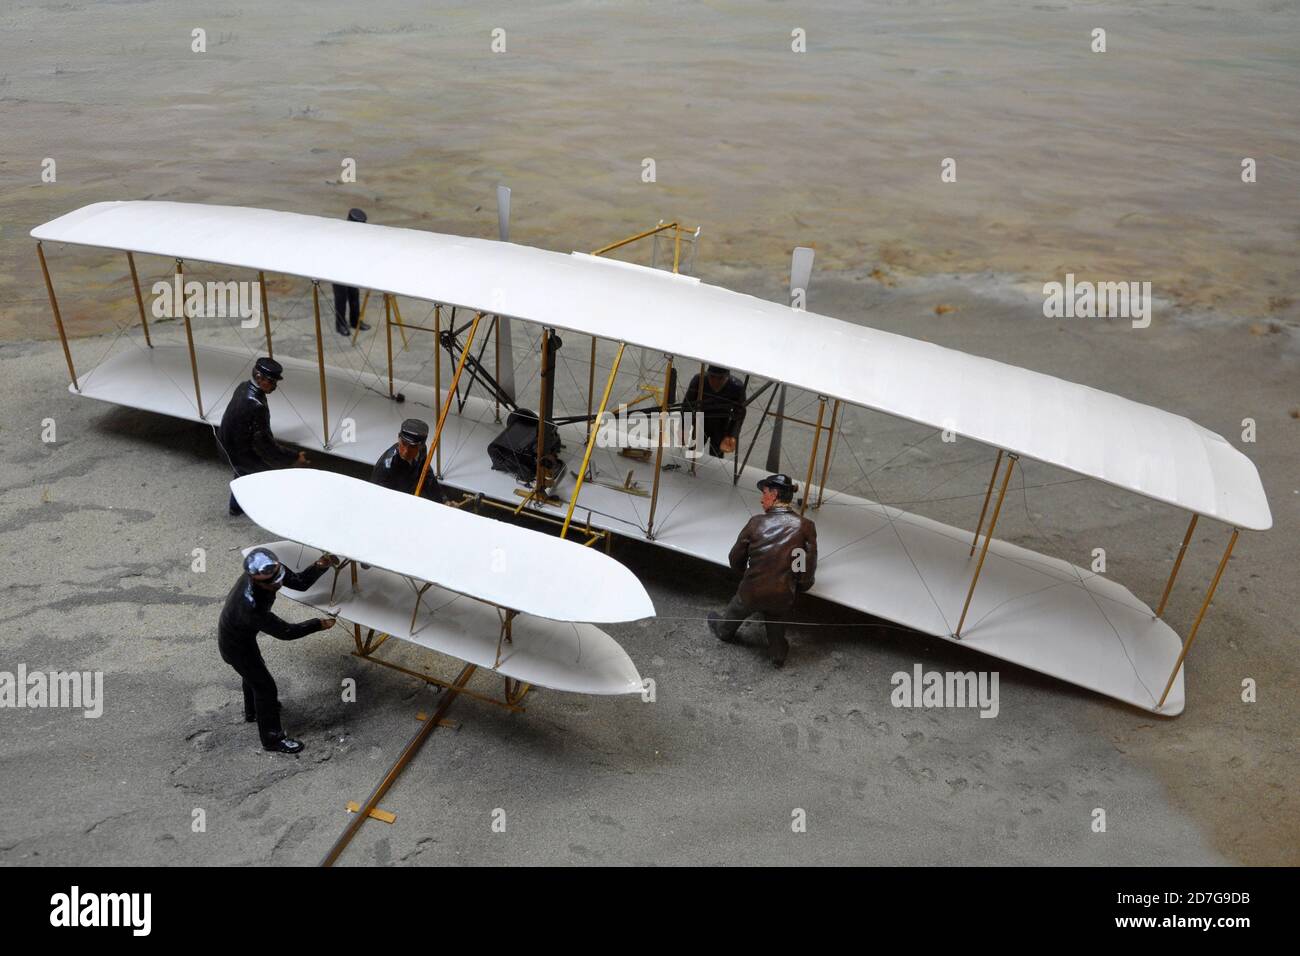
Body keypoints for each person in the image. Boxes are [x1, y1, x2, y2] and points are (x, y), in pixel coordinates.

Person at [218, 548, 338, 754]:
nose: (280, 584)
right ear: (258, 582)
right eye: (274, 583)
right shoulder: (251, 606)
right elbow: (286, 632)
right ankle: (272, 738)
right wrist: (318, 624)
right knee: (265, 687)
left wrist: (321, 565)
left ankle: (254, 712)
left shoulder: (274, 572)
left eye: (279, 577)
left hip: (242, 636)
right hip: (234, 645)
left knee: (254, 674)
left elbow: (299, 582)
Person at [708, 473, 817, 667]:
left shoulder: (756, 523)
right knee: (776, 620)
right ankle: (777, 653)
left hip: (752, 591)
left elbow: (735, 559)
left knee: (736, 610)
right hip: (782, 594)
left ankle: (725, 631)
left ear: (774, 494)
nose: (761, 498)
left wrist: (747, 574)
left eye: (764, 493)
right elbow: (803, 565)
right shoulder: (805, 527)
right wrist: (799, 584)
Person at [217, 356, 307, 516]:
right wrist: (293, 457)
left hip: (226, 444)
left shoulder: (243, 387)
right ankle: (269, 512)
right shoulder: (257, 405)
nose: (275, 386)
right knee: (268, 476)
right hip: (240, 452)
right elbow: (265, 443)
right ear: (259, 378)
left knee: (241, 474)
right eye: (272, 382)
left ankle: (236, 507)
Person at [370, 418, 446, 503]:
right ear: (398, 438)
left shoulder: (422, 451)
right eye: (404, 443)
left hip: (409, 495)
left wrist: (442, 501)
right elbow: (378, 498)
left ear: (420, 446)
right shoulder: (385, 468)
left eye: (412, 447)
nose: (406, 451)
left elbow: (426, 475)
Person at [682, 364, 747, 457]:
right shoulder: (698, 380)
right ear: (708, 374)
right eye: (712, 377)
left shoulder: (737, 387)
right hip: (700, 421)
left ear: (727, 377)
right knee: (693, 452)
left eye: (720, 378)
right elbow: (687, 406)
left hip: (722, 423)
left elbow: (739, 413)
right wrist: (685, 426)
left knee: (717, 455)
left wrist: (731, 435)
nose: (715, 382)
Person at [333, 207, 370, 336]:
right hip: (337, 270)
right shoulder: (340, 234)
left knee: (354, 296)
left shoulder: (358, 236)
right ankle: (340, 324)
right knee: (341, 299)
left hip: (351, 270)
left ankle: (355, 321)